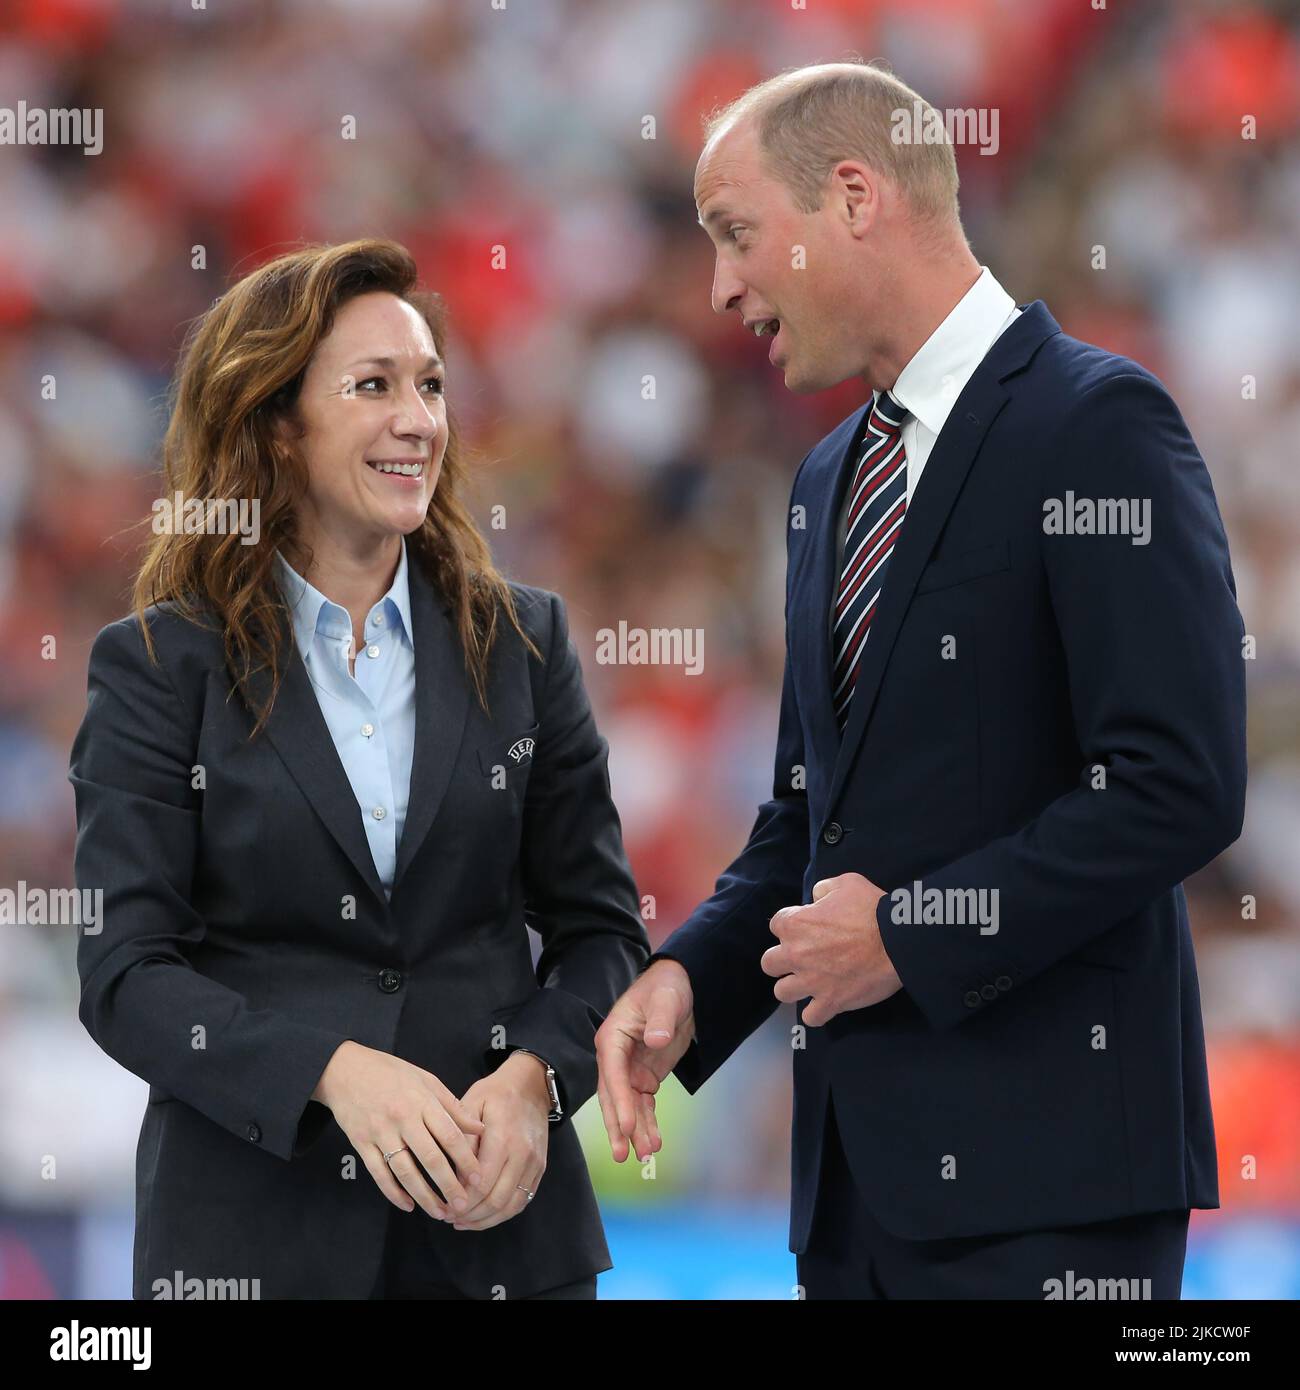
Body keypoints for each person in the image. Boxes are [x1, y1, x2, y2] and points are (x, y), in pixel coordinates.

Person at [596, 61, 1246, 1299]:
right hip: (851, 1202)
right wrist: (690, 978)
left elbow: (1180, 787)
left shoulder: (1100, 424)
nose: (721, 287)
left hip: (1052, 1200)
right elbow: (806, 823)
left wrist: (910, 933)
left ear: (852, 195)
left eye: (736, 235)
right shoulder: (825, 478)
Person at [70, 237, 648, 1300]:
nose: (419, 420)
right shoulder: (158, 666)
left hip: (500, 1242)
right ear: (277, 426)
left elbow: (602, 930)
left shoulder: (524, 642)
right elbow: (125, 976)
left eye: (430, 385)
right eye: (373, 386)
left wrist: (532, 1081)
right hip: (252, 1251)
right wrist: (336, 1073)